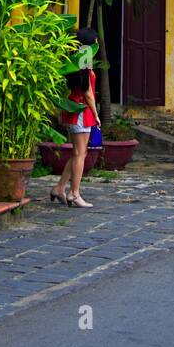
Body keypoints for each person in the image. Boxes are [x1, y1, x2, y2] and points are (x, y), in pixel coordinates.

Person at [51, 26, 101, 210]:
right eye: (95, 40)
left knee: (77, 153)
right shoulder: (84, 62)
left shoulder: (75, 60)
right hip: (81, 109)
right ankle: (75, 193)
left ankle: (59, 188)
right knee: (81, 154)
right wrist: (96, 114)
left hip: (74, 107)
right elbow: (88, 92)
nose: (97, 43)